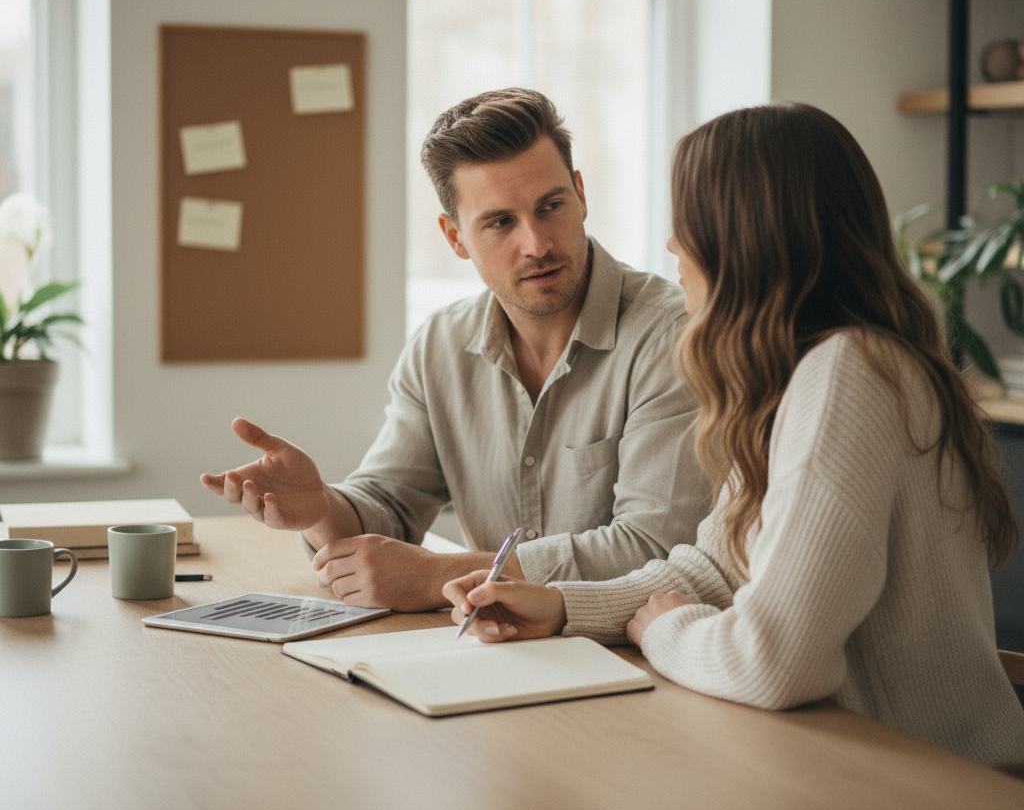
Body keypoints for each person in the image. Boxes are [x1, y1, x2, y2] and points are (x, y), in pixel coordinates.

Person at [444, 101, 1024, 771]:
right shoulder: (803, 373)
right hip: (855, 767)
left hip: (934, 798)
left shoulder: (849, 375)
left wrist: (663, 628)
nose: (671, 248)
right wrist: (562, 607)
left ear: (741, 239)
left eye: (686, 225)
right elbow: (714, 567)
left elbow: (774, 665)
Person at [200, 88, 708, 612]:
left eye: (551, 206)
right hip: (498, 643)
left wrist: (442, 575)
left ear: (580, 195)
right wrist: (322, 507)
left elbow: (656, 550)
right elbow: (391, 504)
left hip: (641, 652)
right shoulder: (440, 346)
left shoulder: (673, 336)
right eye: (500, 222)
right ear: (455, 237)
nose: (536, 244)